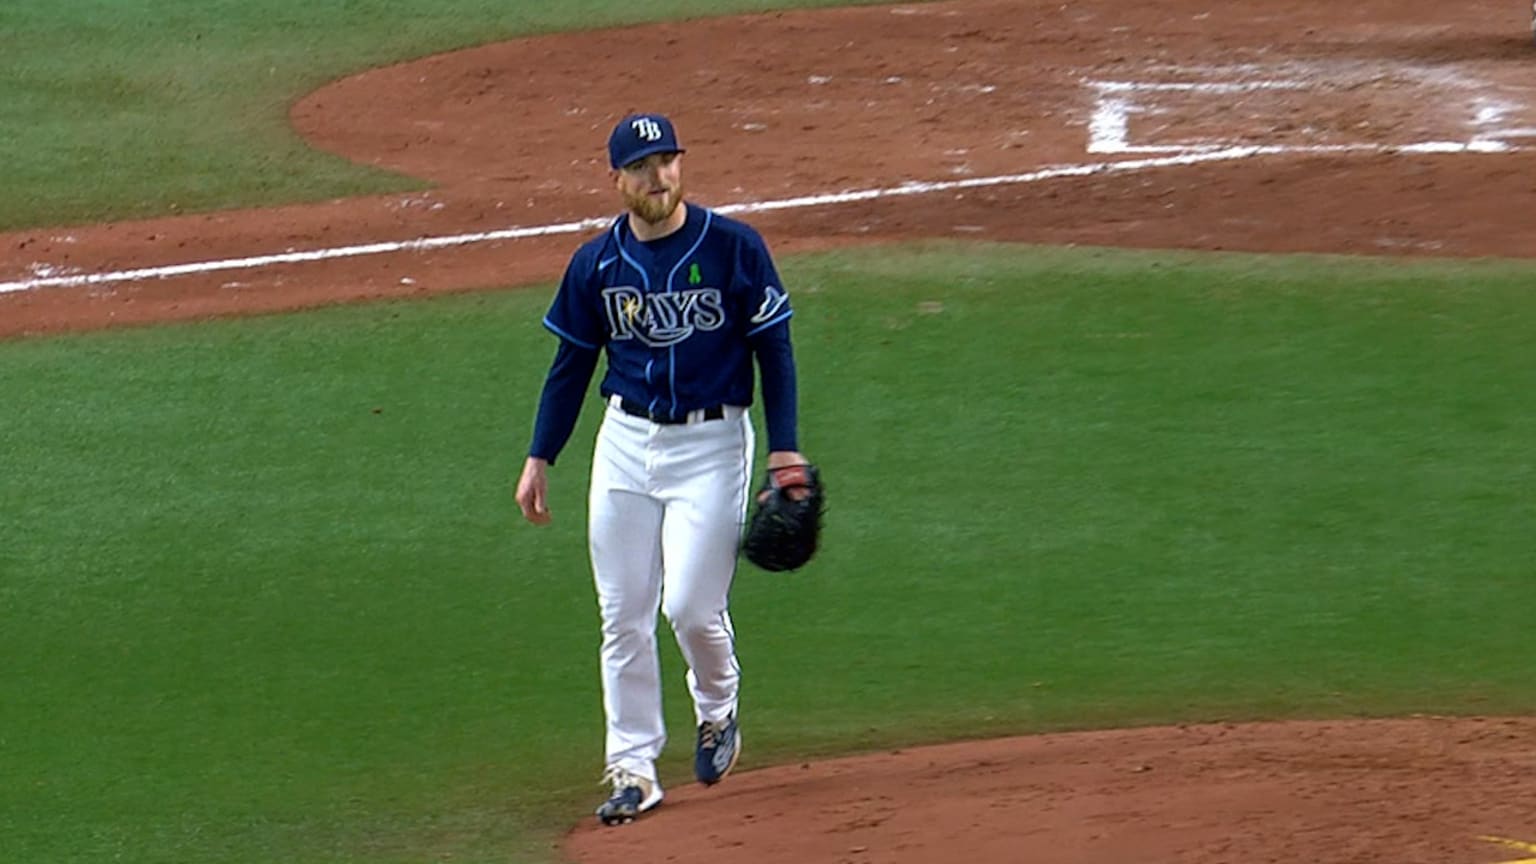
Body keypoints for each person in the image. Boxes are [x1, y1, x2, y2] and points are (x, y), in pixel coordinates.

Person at [514, 112, 809, 826]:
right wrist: (540, 455)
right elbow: (571, 365)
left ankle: (718, 707)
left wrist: (784, 447)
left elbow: (774, 348)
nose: (658, 177)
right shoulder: (596, 264)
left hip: (713, 445)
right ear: (617, 179)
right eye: (642, 167)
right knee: (622, 615)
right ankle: (633, 768)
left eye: (667, 161)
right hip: (625, 441)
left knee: (691, 609)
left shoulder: (734, 247)